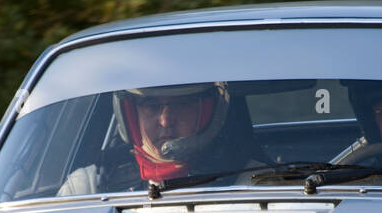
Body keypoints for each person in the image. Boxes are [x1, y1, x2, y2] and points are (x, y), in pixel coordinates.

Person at [59, 82, 254, 195]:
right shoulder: (89, 186)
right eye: (151, 106)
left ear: (210, 113)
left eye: (183, 105)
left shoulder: (253, 183)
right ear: (130, 116)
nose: (165, 120)